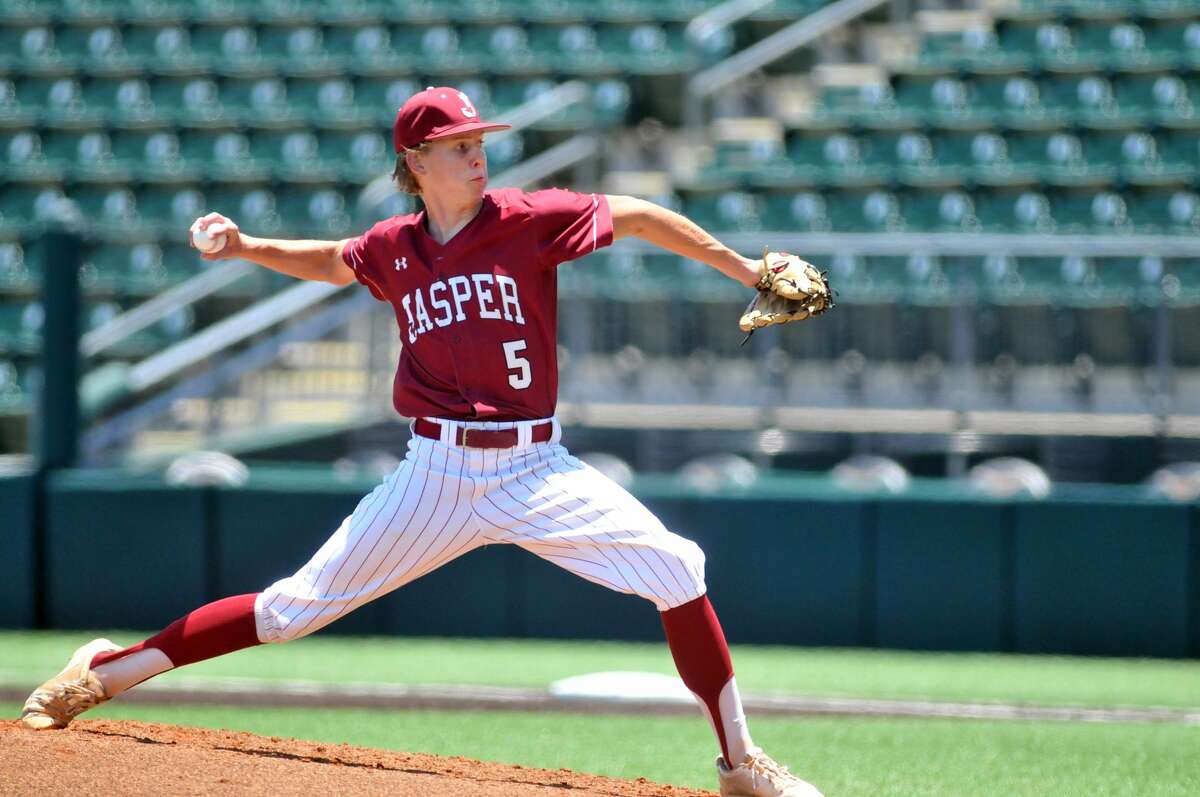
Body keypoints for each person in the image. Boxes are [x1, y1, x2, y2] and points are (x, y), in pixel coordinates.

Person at [21, 86, 822, 797]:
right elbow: (335, 261)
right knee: (289, 610)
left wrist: (746, 269)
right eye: (461, 148)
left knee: (677, 567)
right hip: (434, 472)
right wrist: (245, 246)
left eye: (480, 145)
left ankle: (741, 765)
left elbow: (641, 214)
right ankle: (105, 671)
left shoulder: (526, 220)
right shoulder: (394, 247)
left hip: (535, 464)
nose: (479, 158)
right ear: (418, 161)